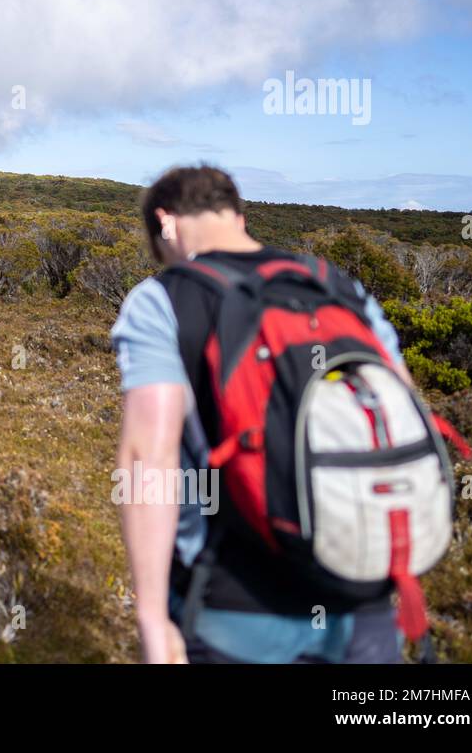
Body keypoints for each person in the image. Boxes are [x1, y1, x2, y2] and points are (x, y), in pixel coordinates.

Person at [111, 165, 415, 664]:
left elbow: (148, 459)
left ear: (165, 223)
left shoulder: (162, 300)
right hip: (361, 596)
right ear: (239, 215)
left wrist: (152, 619)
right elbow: (400, 416)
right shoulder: (339, 289)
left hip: (234, 604)